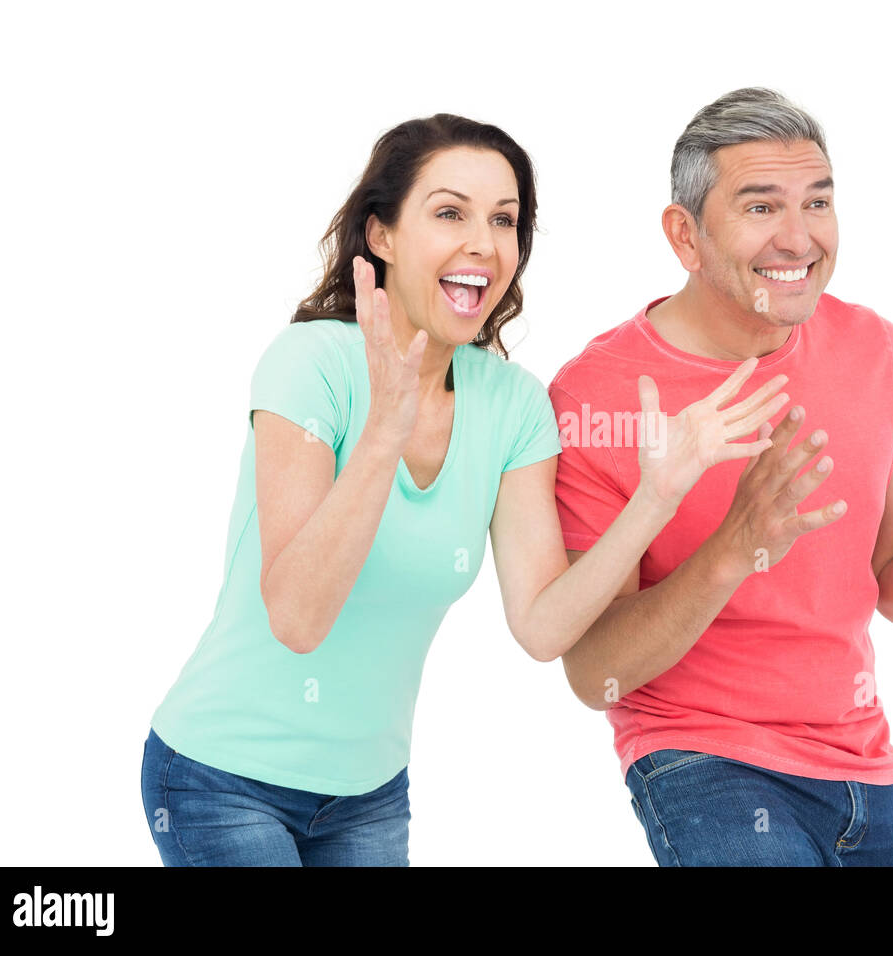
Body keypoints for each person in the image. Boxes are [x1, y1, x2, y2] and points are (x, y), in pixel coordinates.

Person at [140, 113, 791, 866]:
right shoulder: (307, 364)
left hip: (369, 795)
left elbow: (544, 628)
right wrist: (384, 432)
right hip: (220, 779)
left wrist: (656, 498)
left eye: (504, 220)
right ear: (381, 235)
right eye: (450, 212)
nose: (484, 242)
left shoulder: (512, 405)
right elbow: (296, 618)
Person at [550, 88, 893, 866]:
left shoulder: (875, 350)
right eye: (760, 207)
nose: (799, 236)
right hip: (702, 757)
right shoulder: (598, 394)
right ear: (685, 236)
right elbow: (593, 672)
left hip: (863, 767)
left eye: (818, 202)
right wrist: (733, 545)